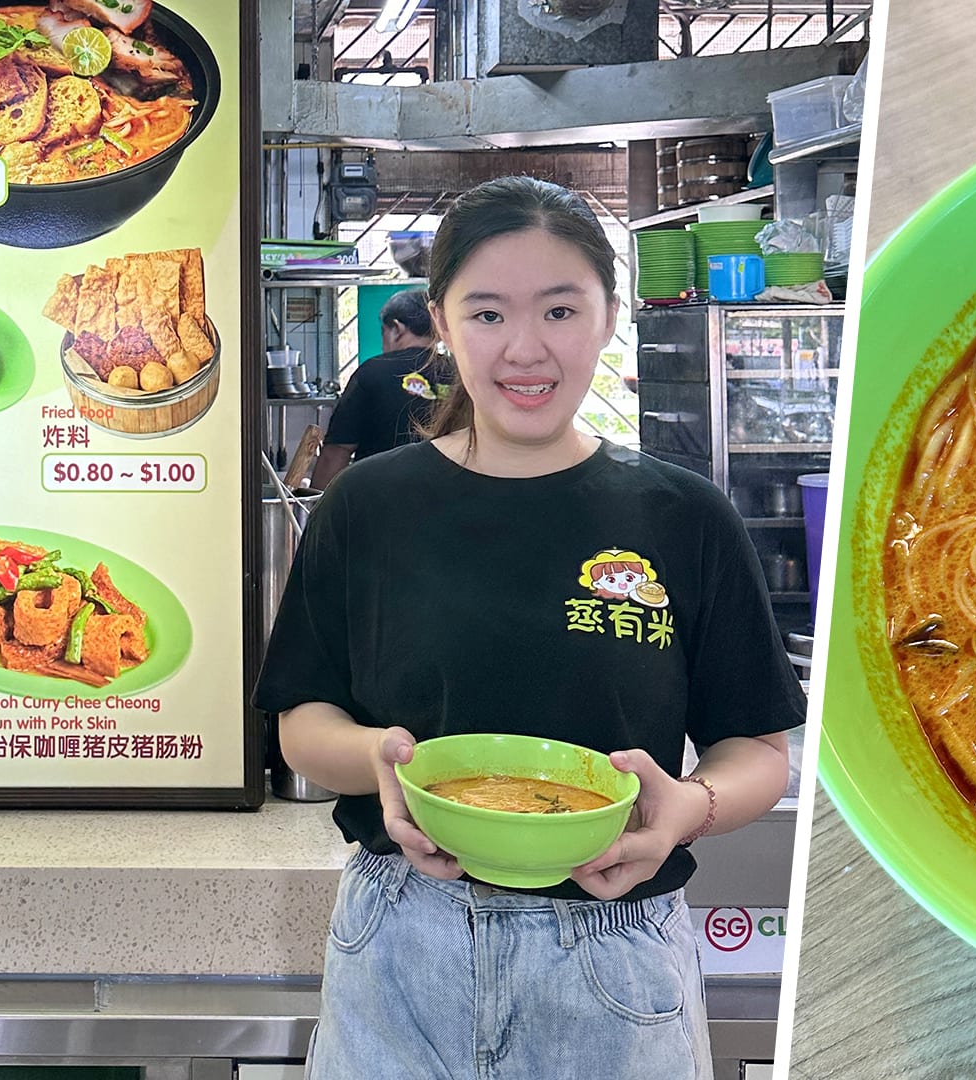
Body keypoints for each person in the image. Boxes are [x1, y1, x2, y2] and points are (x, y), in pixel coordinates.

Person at [253, 176, 803, 1079]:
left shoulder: (684, 516)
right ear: (442, 322)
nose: (524, 349)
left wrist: (684, 811)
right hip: (403, 942)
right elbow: (302, 724)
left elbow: (756, 749)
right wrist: (380, 765)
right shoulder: (372, 504)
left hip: (614, 950)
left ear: (608, 314)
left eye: (558, 309)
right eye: (487, 314)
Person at [308, 288, 445, 489]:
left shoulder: (372, 372)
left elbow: (336, 452)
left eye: (383, 332)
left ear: (397, 329)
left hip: (380, 500)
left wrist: (315, 509)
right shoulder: (459, 374)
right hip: (448, 497)